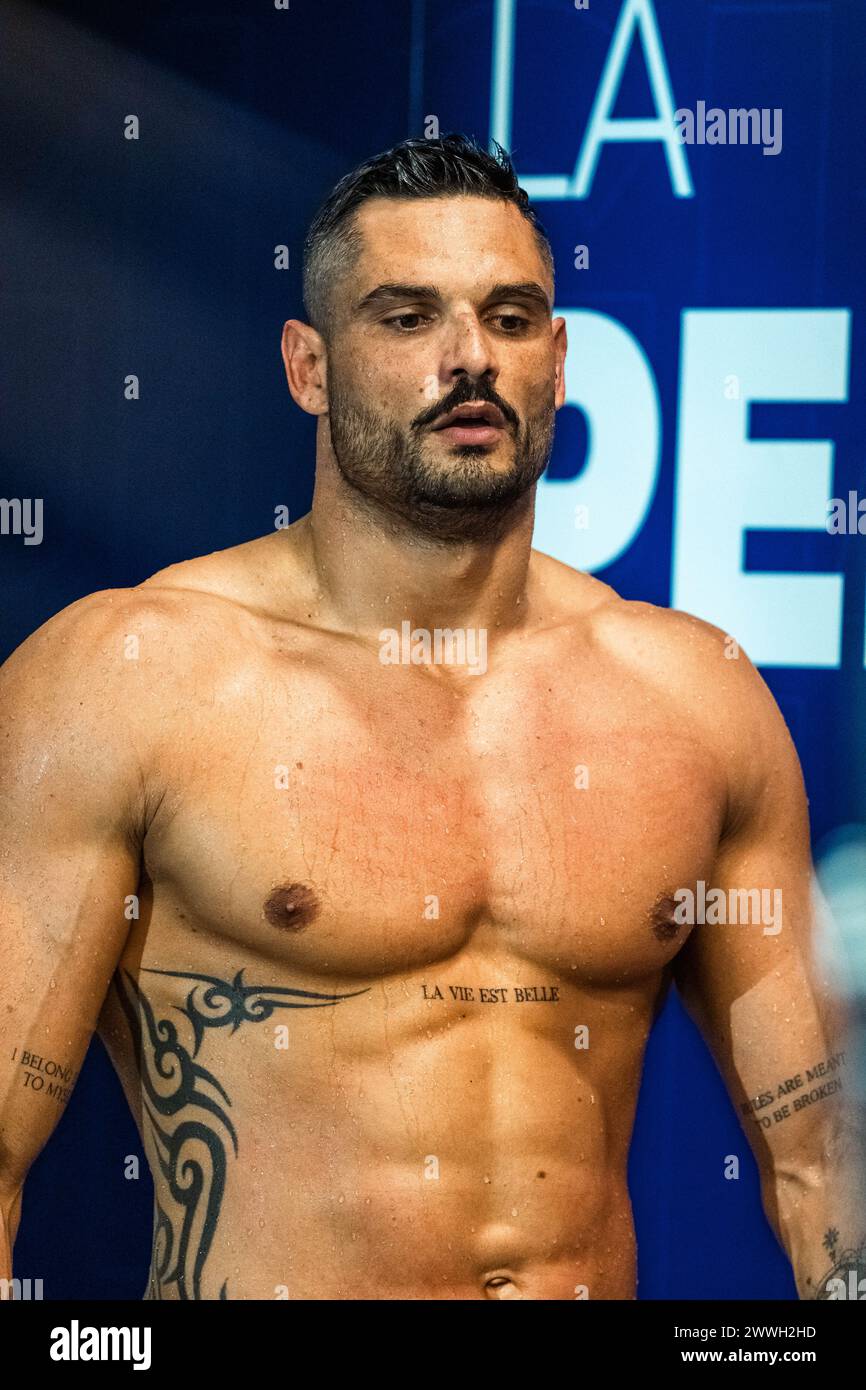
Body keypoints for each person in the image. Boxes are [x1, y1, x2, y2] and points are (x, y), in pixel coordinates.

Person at [0, 135, 861, 1300]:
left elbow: (821, 1168)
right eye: (405, 319)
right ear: (307, 366)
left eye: (510, 319)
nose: (469, 360)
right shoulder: (129, 677)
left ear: (558, 361)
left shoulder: (690, 697)